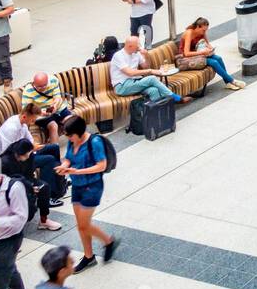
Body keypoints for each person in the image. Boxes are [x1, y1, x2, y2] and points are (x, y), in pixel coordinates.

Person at [56, 116, 118, 272]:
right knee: (81, 226)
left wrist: (77, 171)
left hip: (92, 186)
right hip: (77, 186)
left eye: (70, 135)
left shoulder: (94, 142)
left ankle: (108, 241)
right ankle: (89, 256)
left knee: (84, 224)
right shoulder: (72, 142)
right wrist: (64, 166)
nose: (69, 139)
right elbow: (69, 159)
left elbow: (101, 165)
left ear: (79, 132)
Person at [110, 35, 185, 105]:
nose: (139, 47)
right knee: (151, 78)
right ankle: (175, 97)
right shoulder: (118, 56)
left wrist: (146, 55)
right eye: (138, 45)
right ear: (130, 46)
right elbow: (130, 73)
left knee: (153, 90)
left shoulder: (136, 53)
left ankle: (158, 114)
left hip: (135, 82)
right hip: (122, 87)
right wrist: (151, 71)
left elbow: (146, 66)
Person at [178, 17, 242, 90]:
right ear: (198, 27)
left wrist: (210, 50)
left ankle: (227, 83)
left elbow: (207, 44)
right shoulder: (189, 33)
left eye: (206, 30)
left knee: (218, 58)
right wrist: (202, 52)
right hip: (186, 59)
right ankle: (233, 81)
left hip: (198, 55)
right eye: (203, 30)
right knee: (214, 62)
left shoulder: (202, 32)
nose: (204, 32)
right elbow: (186, 53)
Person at [22, 71, 71, 144]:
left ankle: (78, 146)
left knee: (71, 121)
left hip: (58, 109)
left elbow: (57, 97)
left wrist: (55, 105)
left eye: (45, 85)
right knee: (53, 126)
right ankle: (55, 150)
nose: (42, 88)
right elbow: (27, 109)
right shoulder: (28, 91)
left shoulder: (53, 81)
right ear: (34, 84)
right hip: (40, 114)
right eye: (39, 87)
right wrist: (41, 112)